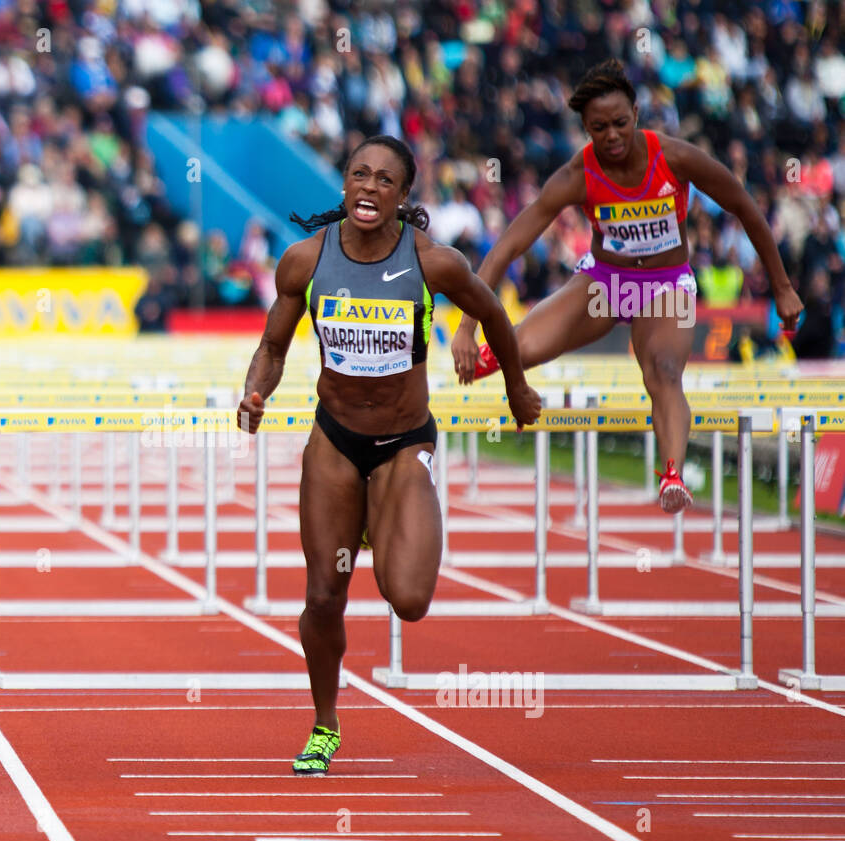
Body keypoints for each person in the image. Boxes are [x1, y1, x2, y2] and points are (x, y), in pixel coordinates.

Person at [237, 134, 541, 775]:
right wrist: (255, 391)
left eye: (383, 181)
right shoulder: (304, 260)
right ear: (343, 184)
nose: (368, 188)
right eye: (358, 175)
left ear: (402, 198)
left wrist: (516, 386)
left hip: (404, 441)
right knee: (324, 596)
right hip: (336, 439)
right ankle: (324, 724)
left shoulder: (435, 265)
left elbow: (495, 317)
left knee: (408, 599)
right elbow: (272, 345)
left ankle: (396, 510)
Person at [452, 59, 803, 513]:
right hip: (605, 283)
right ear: (584, 127)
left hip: (666, 287)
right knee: (518, 349)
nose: (612, 136)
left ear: (636, 114)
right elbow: (507, 247)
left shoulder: (674, 157)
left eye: (620, 123)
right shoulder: (577, 176)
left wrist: (782, 286)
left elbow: (745, 207)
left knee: (663, 372)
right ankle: (471, 365)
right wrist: (465, 326)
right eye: (599, 128)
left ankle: (672, 473)